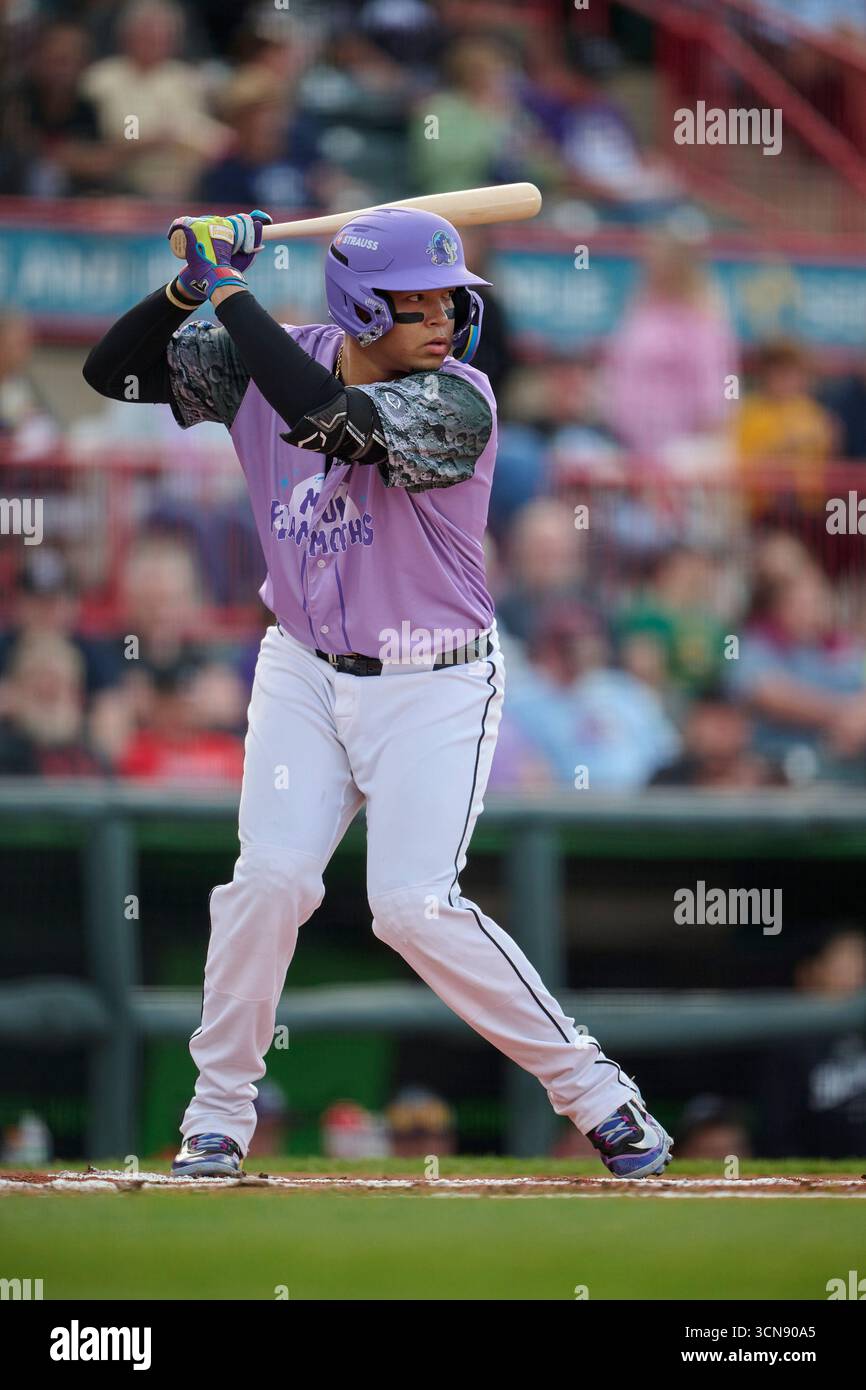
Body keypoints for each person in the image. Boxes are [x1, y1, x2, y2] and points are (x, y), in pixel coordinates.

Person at [82, 205, 672, 1181]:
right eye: (417, 301)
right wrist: (186, 287)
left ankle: (594, 1094)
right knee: (266, 883)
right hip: (305, 667)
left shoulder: (458, 401)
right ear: (359, 304)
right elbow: (118, 373)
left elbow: (326, 418)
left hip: (433, 684)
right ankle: (217, 1118)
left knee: (408, 904)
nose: (444, 316)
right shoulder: (265, 355)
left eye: (450, 298)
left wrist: (227, 288)